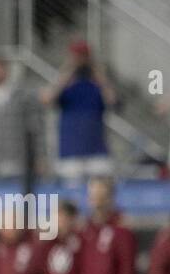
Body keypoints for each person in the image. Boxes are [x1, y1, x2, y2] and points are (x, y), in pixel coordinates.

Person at [40, 40, 116, 183]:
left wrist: (98, 75)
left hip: (97, 150)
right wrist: (67, 72)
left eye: (83, 57)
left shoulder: (97, 84)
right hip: (70, 150)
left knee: (101, 189)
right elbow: (46, 99)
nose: (80, 61)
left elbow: (112, 101)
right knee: (72, 192)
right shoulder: (66, 85)